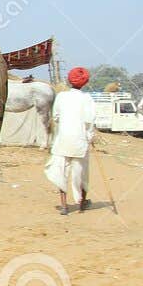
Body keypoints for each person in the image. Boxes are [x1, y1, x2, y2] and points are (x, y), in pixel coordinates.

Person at [45, 67, 97, 214]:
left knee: (62, 172)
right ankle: (81, 203)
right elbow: (90, 122)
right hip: (80, 141)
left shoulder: (61, 97)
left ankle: (64, 205)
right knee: (81, 173)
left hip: (62, 141)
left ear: (69, 80)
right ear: (85, 83)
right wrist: (90, 137)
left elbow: (56, 117)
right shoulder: (87, 99)